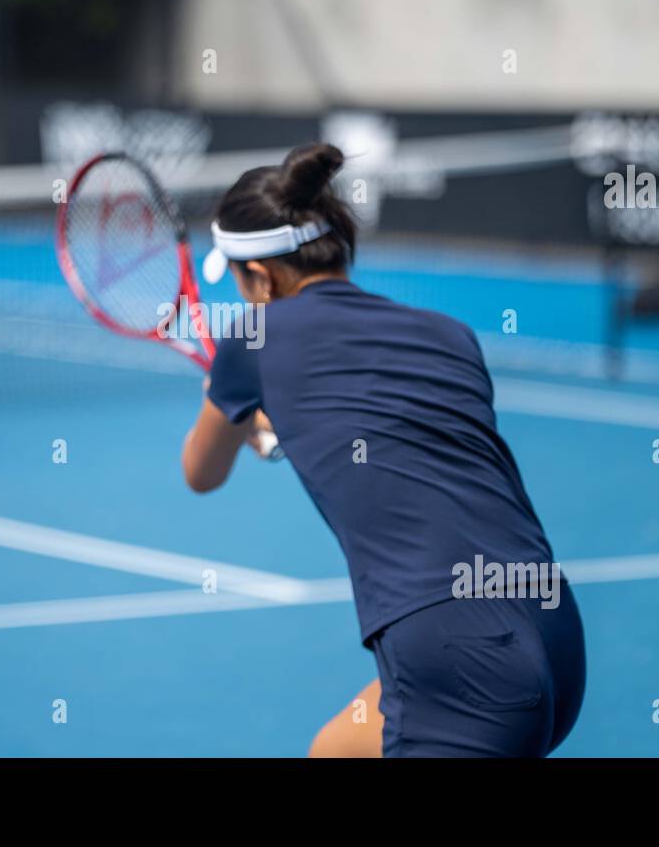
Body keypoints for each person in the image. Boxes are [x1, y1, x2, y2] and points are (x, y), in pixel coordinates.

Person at [182, 143, 586, 757]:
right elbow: (395, 425)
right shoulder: (450, 337)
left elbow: (201, 472)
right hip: (554, 629)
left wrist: (228, 395)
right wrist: (274, 420)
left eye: (238, 285)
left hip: (459, 653)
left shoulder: (252, 337)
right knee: (335, 752)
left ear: (259, 277)